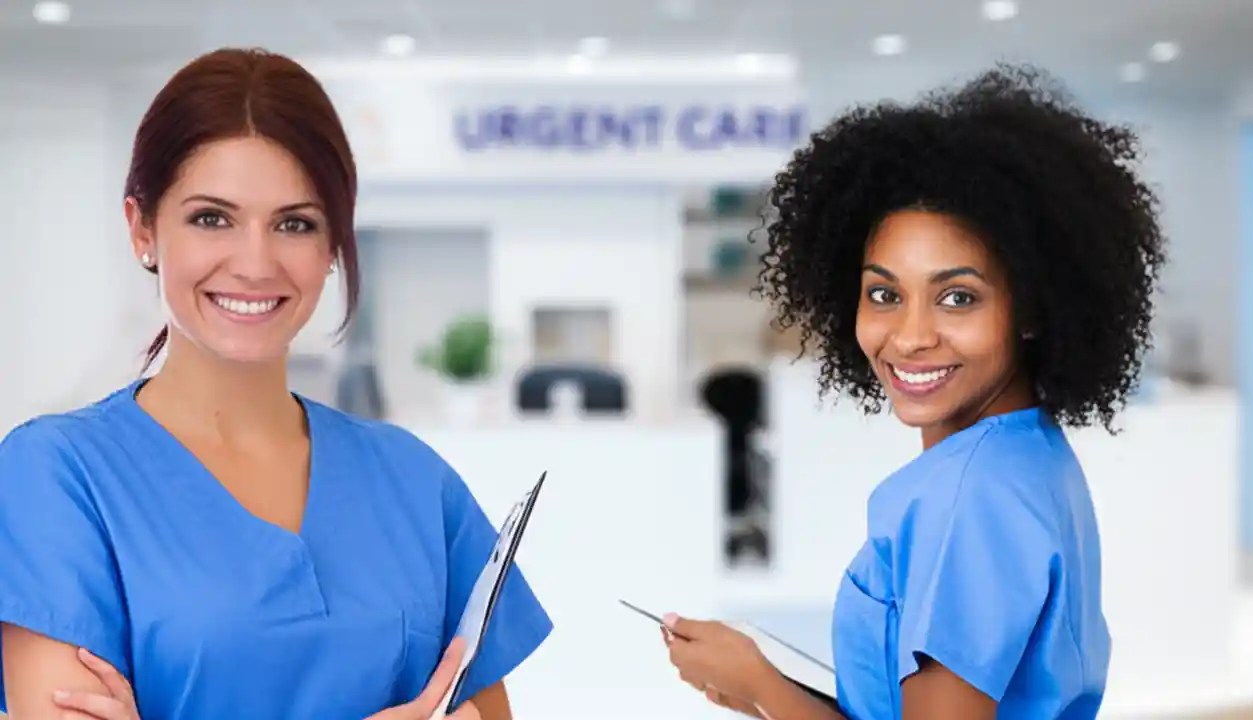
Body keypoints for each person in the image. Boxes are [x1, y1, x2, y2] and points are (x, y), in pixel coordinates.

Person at [0, 48, 551, 720]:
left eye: (295, 224)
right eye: (212, 218)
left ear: (331, 250)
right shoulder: (55, 477)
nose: (255, 263)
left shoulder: (412, 480)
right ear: (142, 228)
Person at [660, 64, 1166, 719]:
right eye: (884, 294)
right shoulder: (1030, 455)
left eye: (958, 297)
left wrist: (762, 685)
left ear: (1034, 308)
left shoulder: (964, 497)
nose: (910, 335)